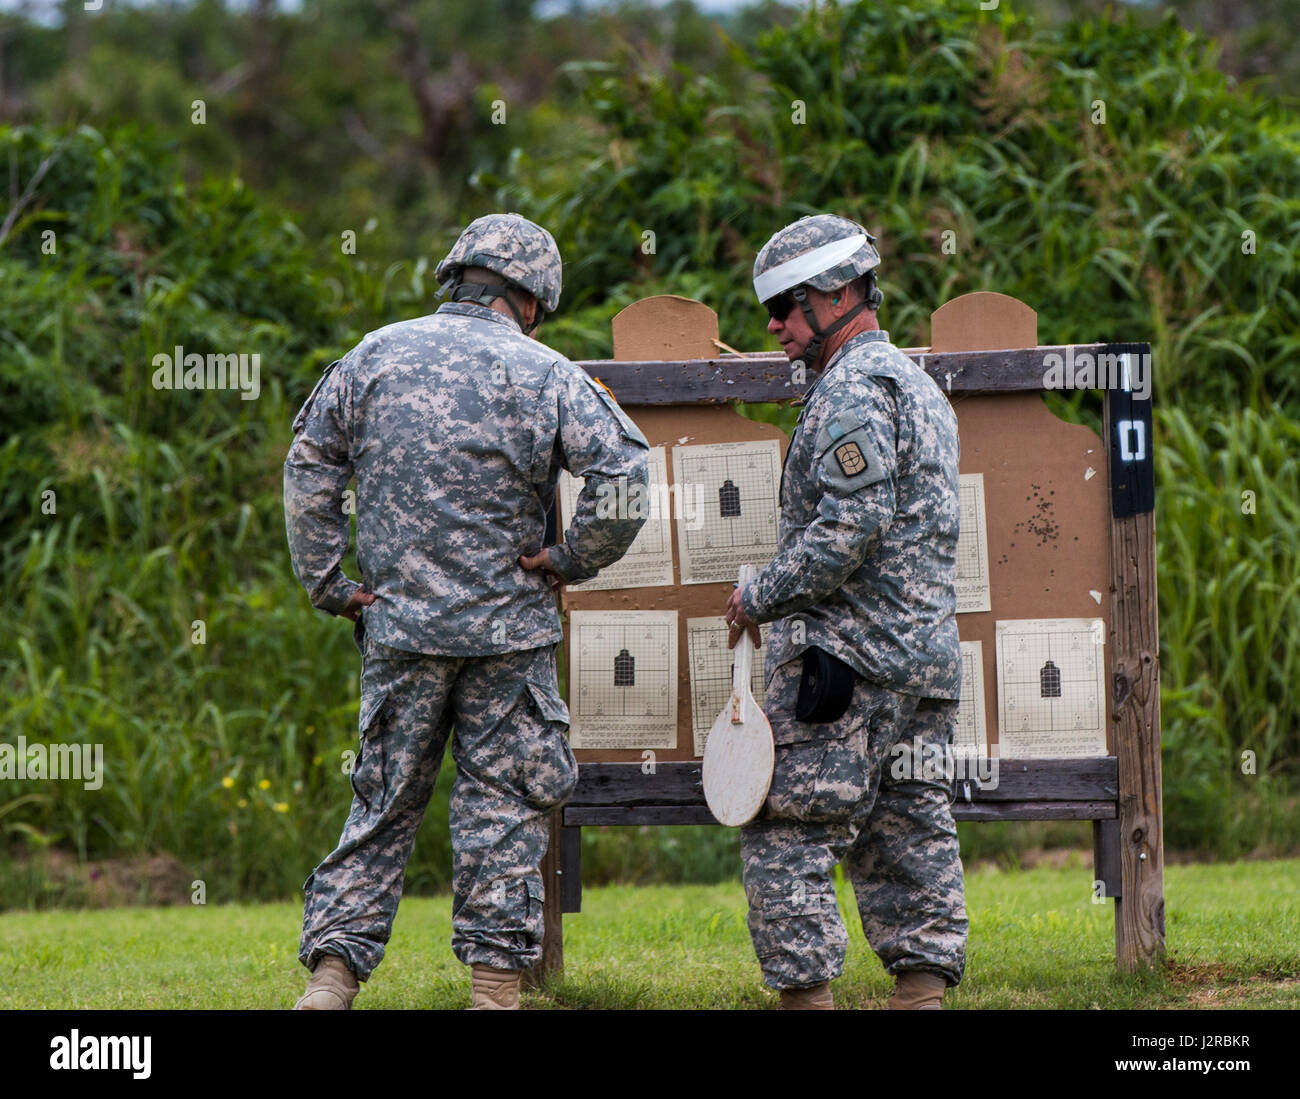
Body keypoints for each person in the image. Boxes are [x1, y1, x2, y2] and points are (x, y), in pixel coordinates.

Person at [283, 212, 649, 1010]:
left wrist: (330, 582)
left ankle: (331, 979)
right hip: (508, 637)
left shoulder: (372, 354)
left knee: (382, 802)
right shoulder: (547, 372)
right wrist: (570, 559)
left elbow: (308, 460)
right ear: (532, 297)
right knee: (503, 806)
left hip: (400, 630)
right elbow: (625, 472)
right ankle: (494, 990)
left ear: (460, 277)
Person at [723, 214, 967, 1010]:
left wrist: (758, 593)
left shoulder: (853, 392)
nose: (774, 326)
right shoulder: (918, 387)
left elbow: (850, 525)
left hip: (844, 669)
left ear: (836, 293)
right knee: (911, 831)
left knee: (787, 831)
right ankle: (921, 998)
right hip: (922, 669)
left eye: (786, 306)